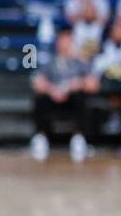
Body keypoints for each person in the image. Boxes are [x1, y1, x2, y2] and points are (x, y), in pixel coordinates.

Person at [30, 29, 98, 162]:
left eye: (68, 41)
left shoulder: (81, 64)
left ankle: (78, 138)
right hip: (53, 98)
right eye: (62, 41)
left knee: (80, 97)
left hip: (72, 99)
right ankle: (41, 137)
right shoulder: (49, 63)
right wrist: (52, 90)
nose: (65, 45)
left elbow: (93, 85)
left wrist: (78, 84)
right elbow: (37, 83)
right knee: (40, 98)